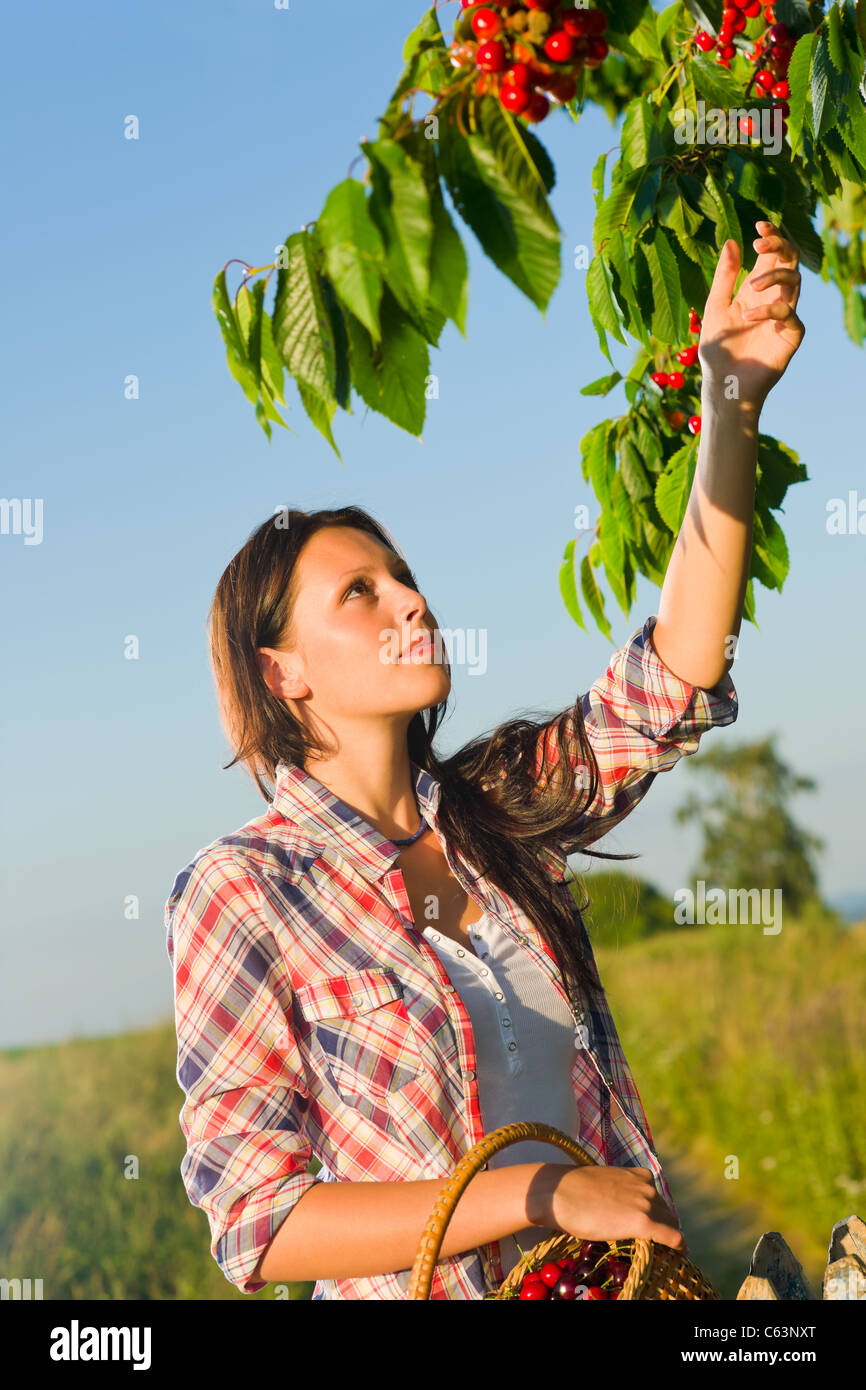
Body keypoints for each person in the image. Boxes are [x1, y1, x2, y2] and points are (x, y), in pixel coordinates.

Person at [165, 221, 804, 1300]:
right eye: (356, 593)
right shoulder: (241, 891)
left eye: (399, 574)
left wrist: (731, 396)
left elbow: (674, 677)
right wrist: (536, 1197)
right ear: (283, 674)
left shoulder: (494, 810)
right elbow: (260, 1224)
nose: (408, 598)